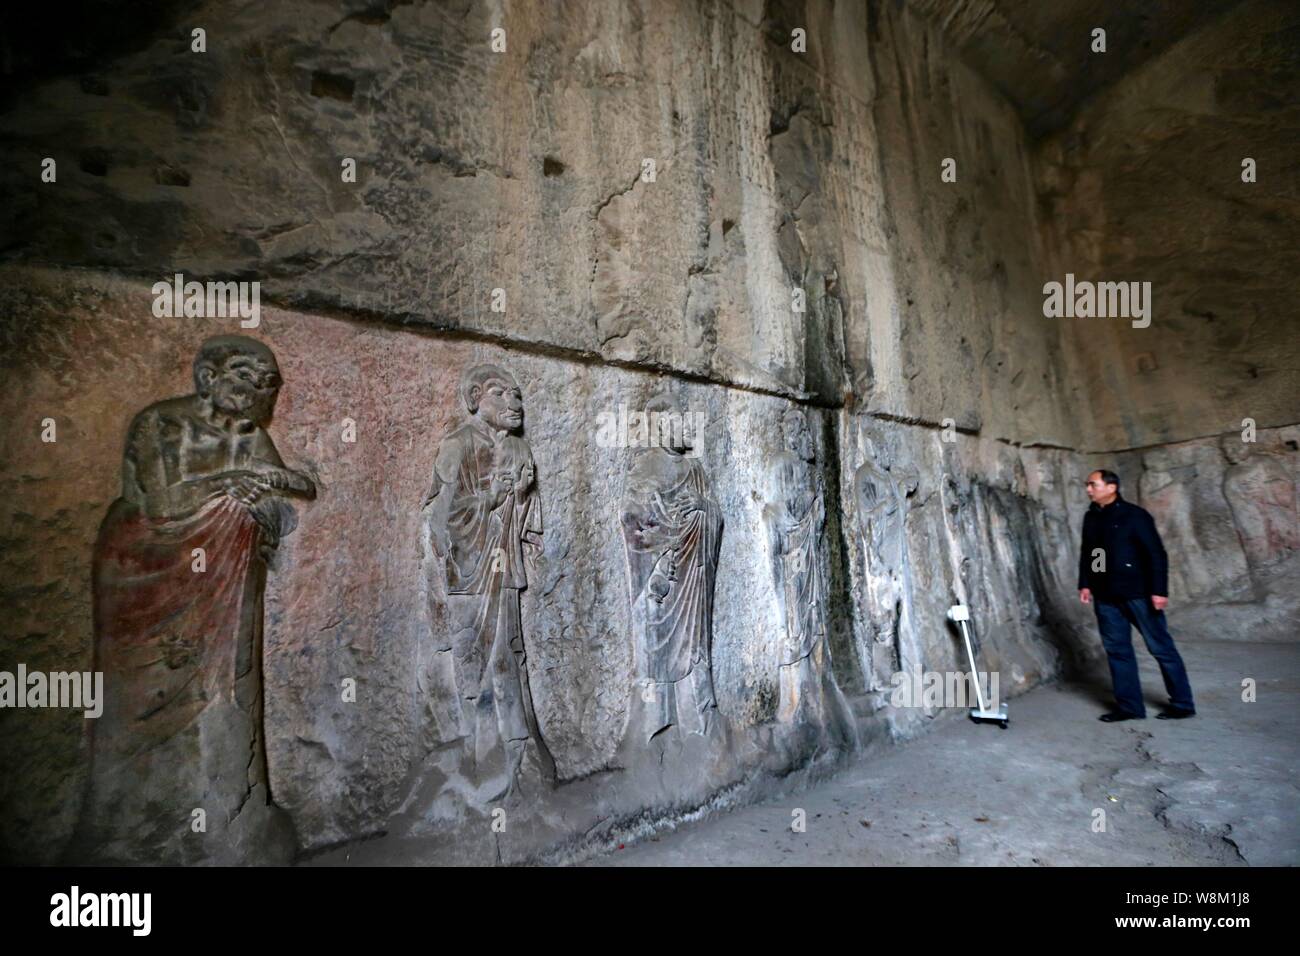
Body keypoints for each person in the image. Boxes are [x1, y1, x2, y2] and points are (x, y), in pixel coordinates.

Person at [1078, 469, 1195, 722]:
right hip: (1106, 595)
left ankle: (1183, 703)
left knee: (1161, 648)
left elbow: (1155, 553)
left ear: (1111, 488)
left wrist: (1159, 590)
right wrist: (1087, 583)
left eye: (1093, 485)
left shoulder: (1135, 515)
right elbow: (1092, 553)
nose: (1088, 489)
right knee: (1118, 650)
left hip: (1138, 593)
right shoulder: (1092, 517)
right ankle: (1130, 707)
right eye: (1087, 485)